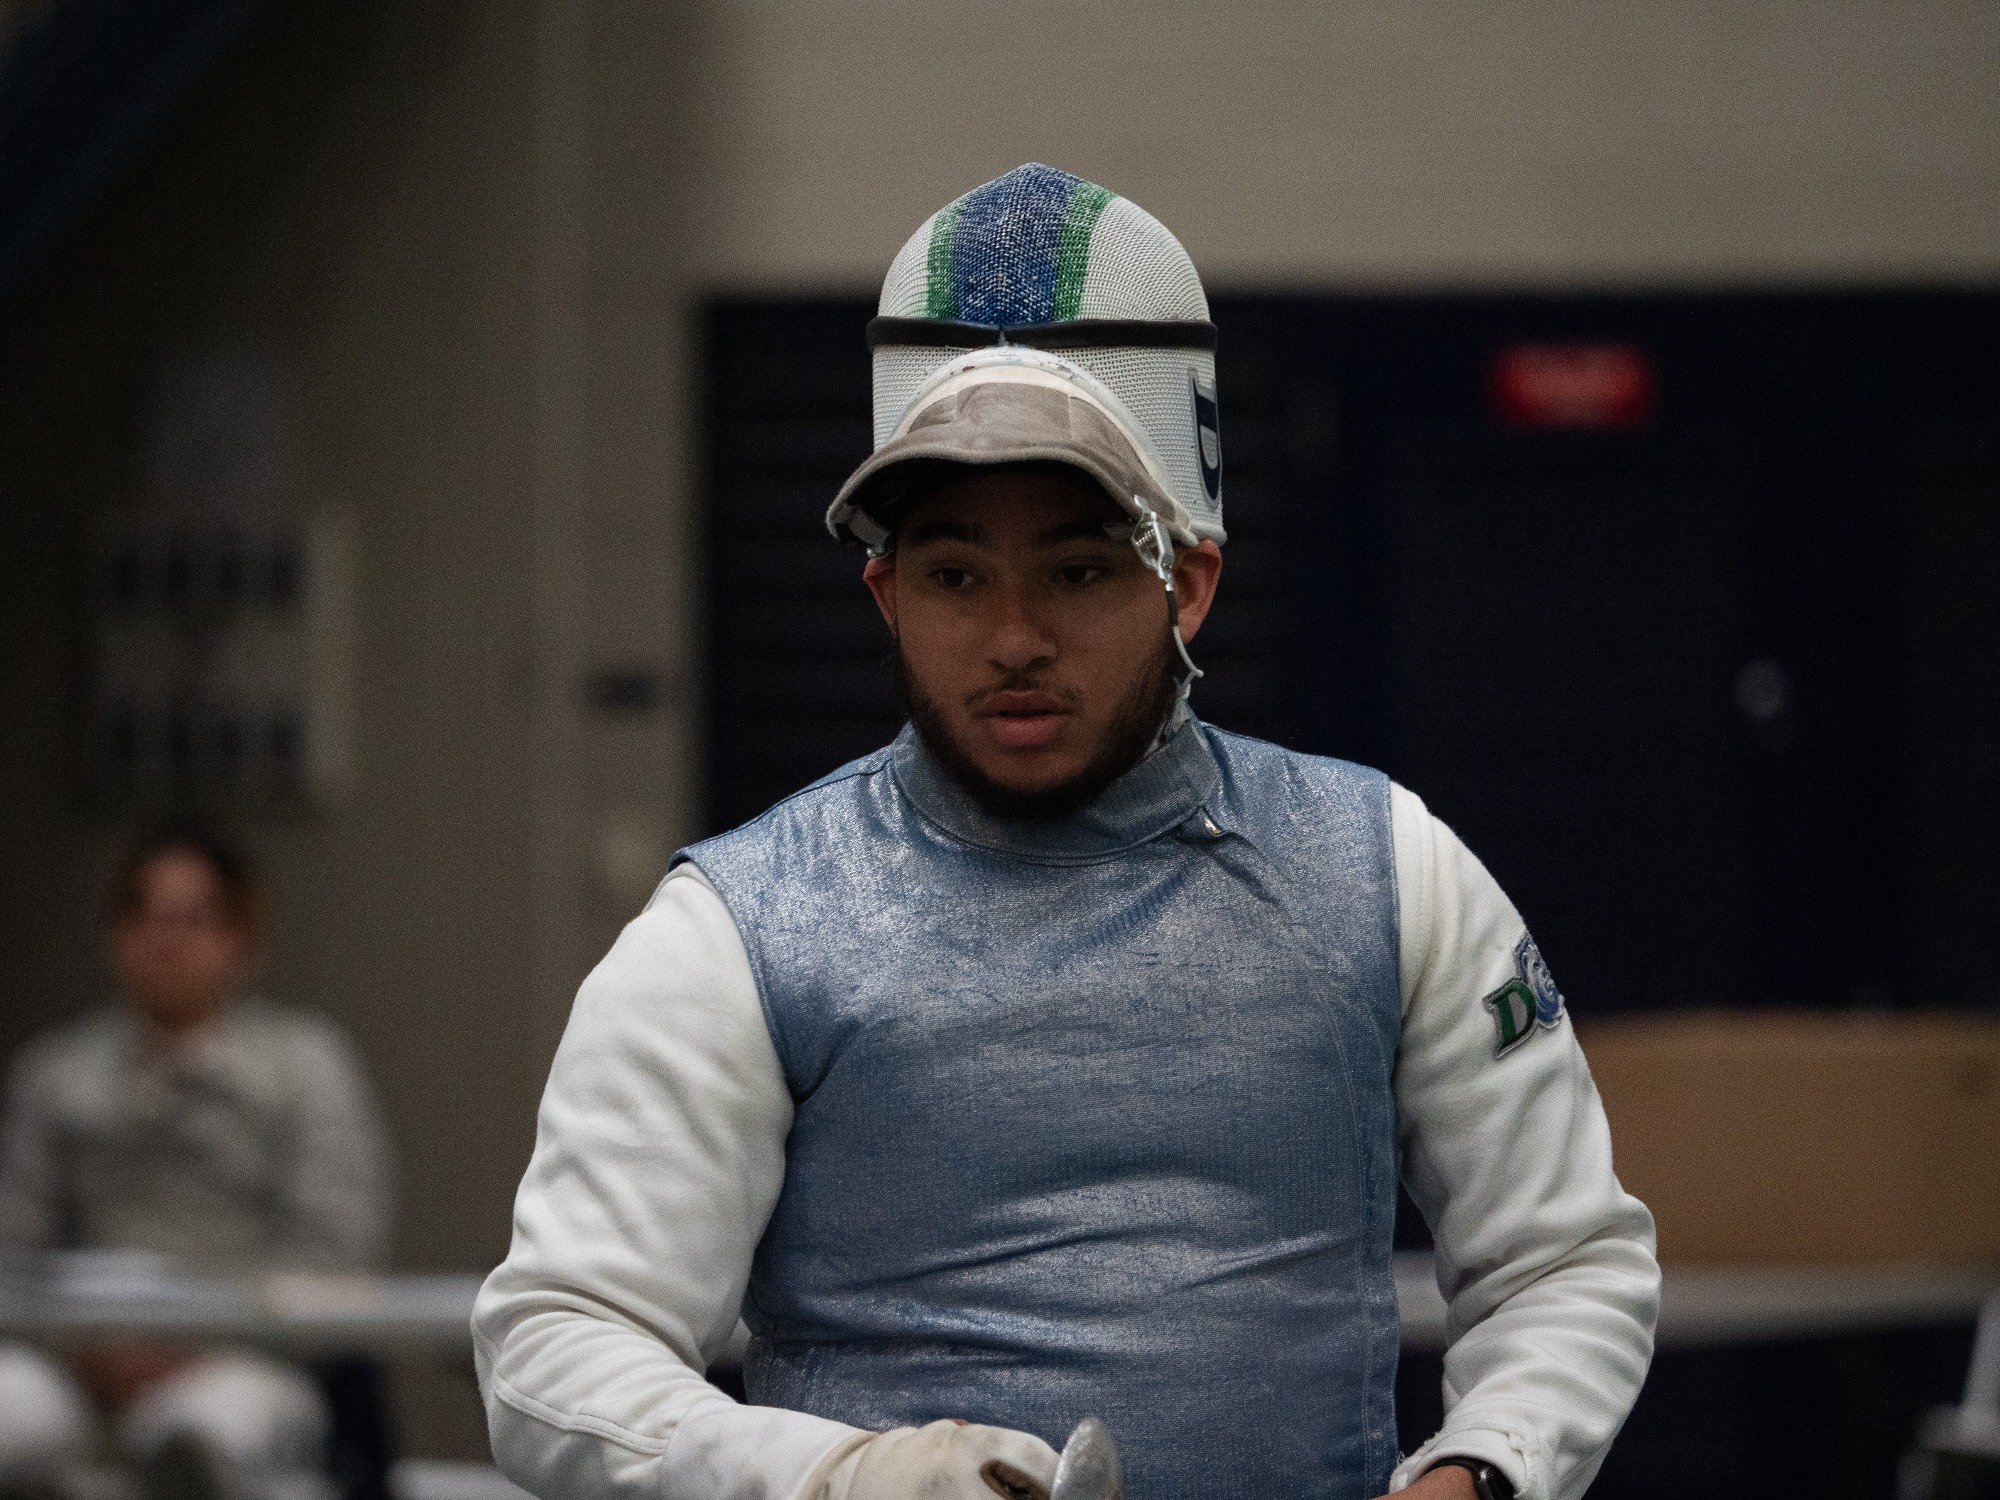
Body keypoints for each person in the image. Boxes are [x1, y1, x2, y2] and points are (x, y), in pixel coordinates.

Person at [474, 164, 1660, 1500]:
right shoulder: (743, 931)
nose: (1015, 638)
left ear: (1190, 580)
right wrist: (849, 1480)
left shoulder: (1386, 871)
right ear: (884, 593)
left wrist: (1481, 1474)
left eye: (1081, 569)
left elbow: (1568, 1262)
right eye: (955, 574)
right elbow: (554, 1348)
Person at [0, 822, 391, 1500]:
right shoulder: (56, 1076)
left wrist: (190, 1342)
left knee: (199, 1441)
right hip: (79, 1359)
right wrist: (89, 1347)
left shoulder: (305, 1069)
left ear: (242, 939)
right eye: (144, 915)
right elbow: (15, 1246)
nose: (165, 940)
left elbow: (332, 1252)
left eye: (192, 919)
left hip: (242, 1358)